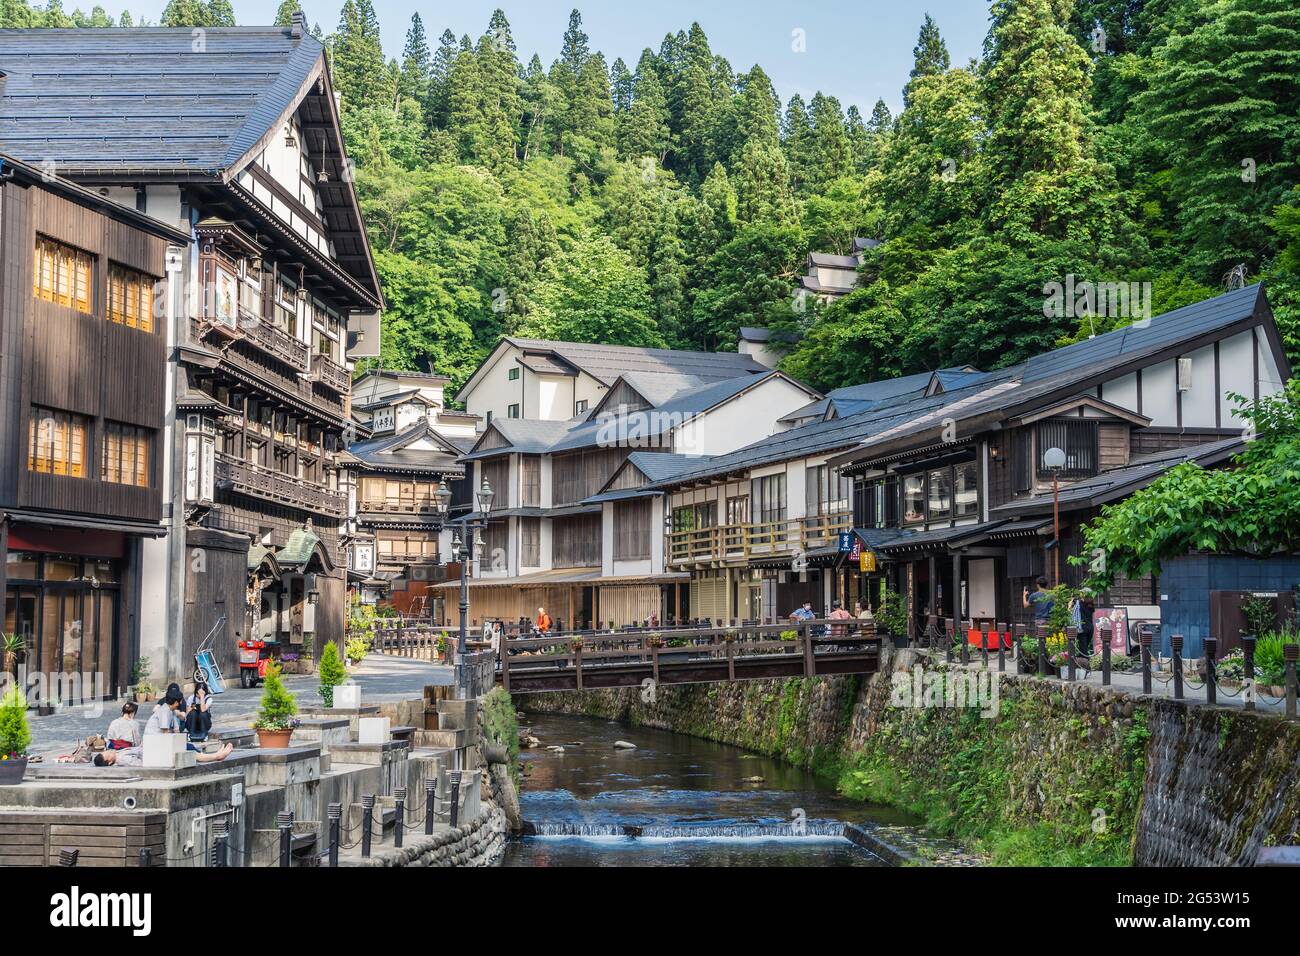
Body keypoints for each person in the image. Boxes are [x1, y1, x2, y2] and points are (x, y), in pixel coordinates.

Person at [94, 742, 234, 768]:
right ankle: (217, 756)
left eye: (105, 751)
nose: (108, 751)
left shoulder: (119, 753)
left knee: (187, 747)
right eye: (107, 755)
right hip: (156, 755)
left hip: (154, 749)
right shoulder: (122, 759)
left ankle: (216, 754)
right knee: (187, 751)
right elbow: (141, 763)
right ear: (109, 762)